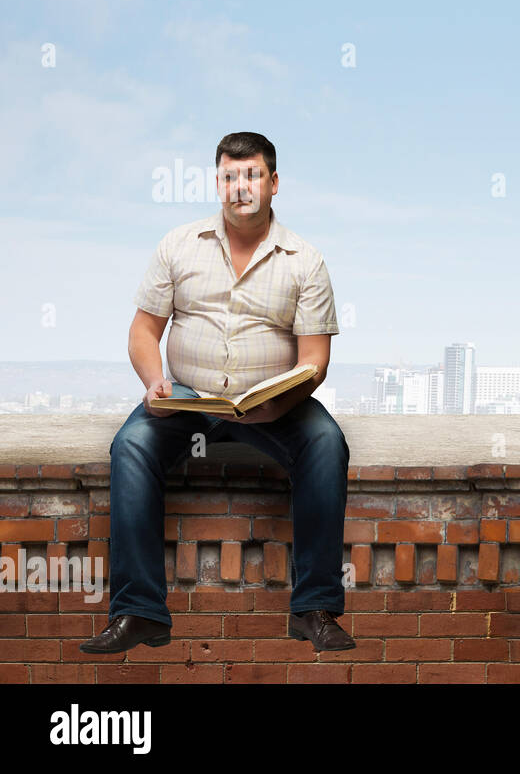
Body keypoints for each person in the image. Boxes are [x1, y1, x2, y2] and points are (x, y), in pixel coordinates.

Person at [80, 132, 356, 654]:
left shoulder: (306, 260)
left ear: (273, 183)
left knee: (327, 443)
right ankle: (140, 613)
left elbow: (315, 360)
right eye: (230, 176)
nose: (240, 187)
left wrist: (283, 400)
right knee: (131, 446)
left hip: (277, 405)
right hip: (188, 397)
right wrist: (153, 380)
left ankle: (314, 609)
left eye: (251, 175)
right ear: (217, 183)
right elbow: (143, 331)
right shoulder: (178, 245)